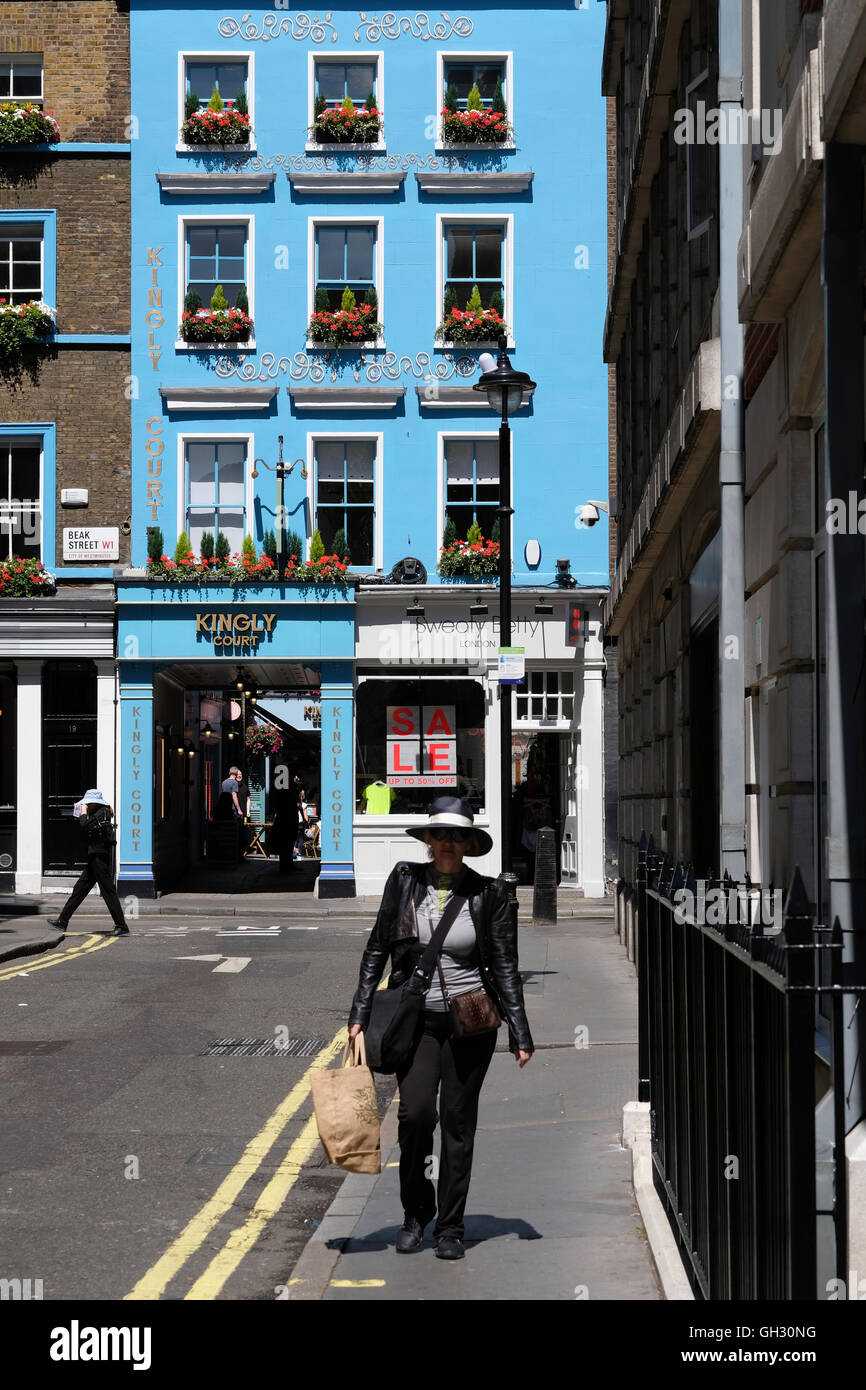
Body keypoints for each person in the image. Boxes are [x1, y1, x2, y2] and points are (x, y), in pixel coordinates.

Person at [348, 796, 533, 1260]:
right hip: (416, 1021)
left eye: (458, 835)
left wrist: (520, 1032)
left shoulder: (489, 894)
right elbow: (377, 947)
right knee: (413, 1117)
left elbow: (506, 967)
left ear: (469, 843)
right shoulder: (405, 881)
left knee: (457, 1122)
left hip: (471, 1022)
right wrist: (360, 1013)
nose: (448, 843)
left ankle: (450, 1227)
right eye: (440, 834)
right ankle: (416, 1212)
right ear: (428, 840)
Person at [48, 790, 130, 937]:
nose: (85, 804)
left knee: (108, 892)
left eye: (87, 803)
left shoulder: (102, 812)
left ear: (94, 803)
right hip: (94, 857)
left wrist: (84, 813)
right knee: (79, 889)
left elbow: (84, 826)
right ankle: (63, 921)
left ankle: (121, 925)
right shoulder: (100, 812)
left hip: (99, 858)